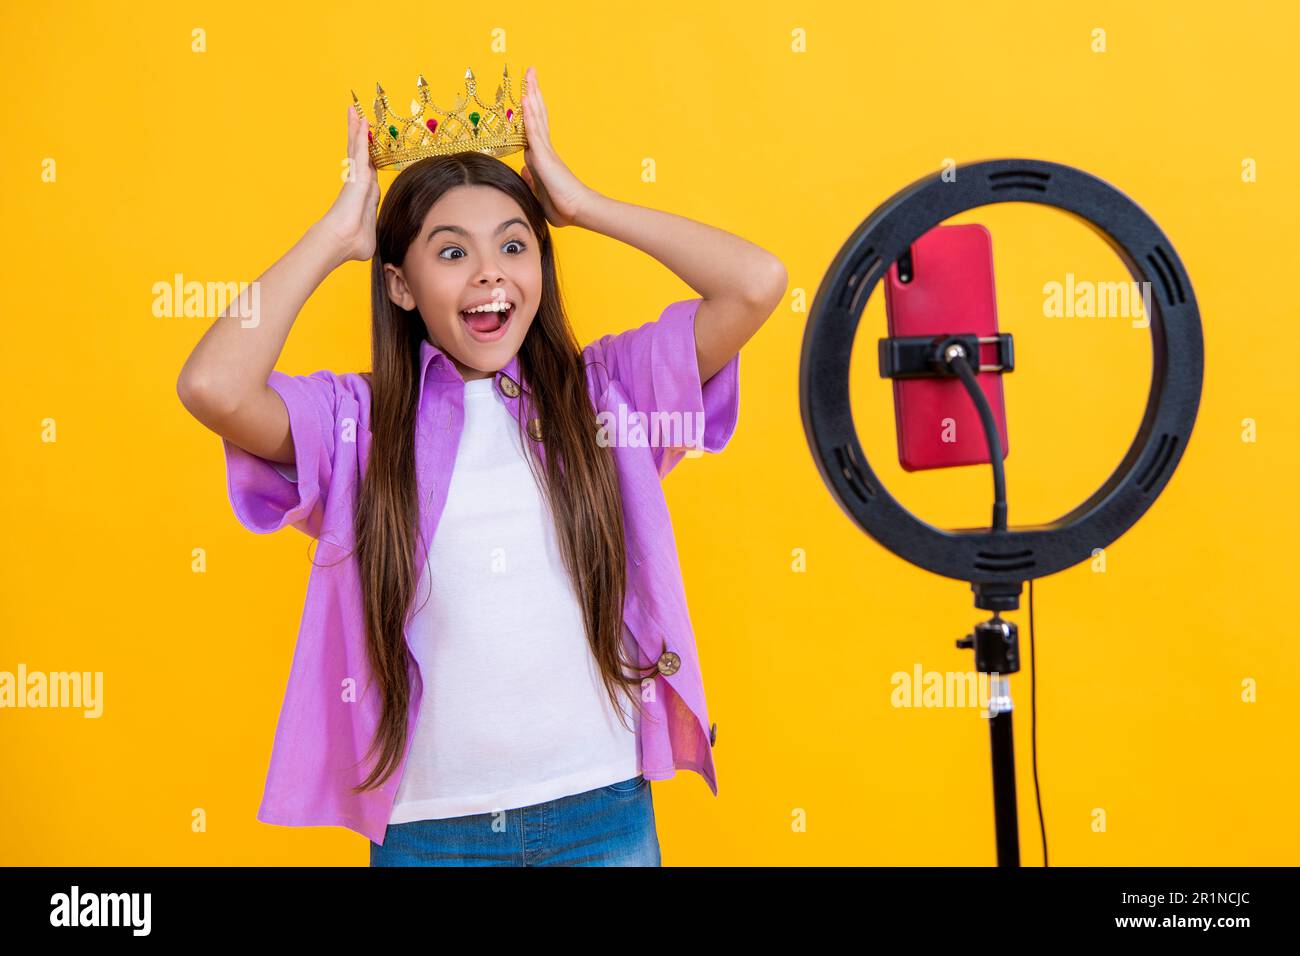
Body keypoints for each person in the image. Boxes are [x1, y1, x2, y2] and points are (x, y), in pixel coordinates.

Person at [176, 65, 786, 866]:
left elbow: (757, 283)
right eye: (452, 251)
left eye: (513, 244)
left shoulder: (608, 394)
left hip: (600, 809)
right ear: (400, 285)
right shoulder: (356, 425)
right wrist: (336, 239)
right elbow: (212, 385)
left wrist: (580, 205)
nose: (490, 271)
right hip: (432, 833)